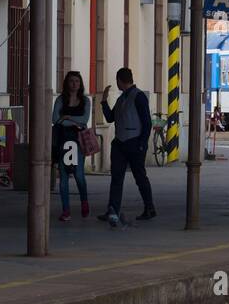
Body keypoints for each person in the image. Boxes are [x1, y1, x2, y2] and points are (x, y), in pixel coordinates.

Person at [99, 67, 156, 225]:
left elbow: (147, 122)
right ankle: (112, 209)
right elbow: (111, 118)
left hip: (134, 142)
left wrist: (142, 144)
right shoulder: (122, 98)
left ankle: (150, 208)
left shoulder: (138, 97)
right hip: (120, 143)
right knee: (117, 178)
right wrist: (104, 102)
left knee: (139, 177)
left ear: (119, 81)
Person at [52, 70, 92, 221]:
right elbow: (55, 119)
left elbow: (84, 119)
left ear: (80, 83)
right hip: (62, 141)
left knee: (79, 175)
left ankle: (84, 201)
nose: (74, 84)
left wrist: (67, 118)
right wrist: (74, 122)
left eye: (77, 81)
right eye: (71, 81)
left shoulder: (85, 101)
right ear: (66, 83)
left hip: (78, 142)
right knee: (63, 176)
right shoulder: (61, 100)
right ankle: (66, 211)